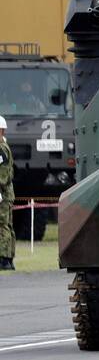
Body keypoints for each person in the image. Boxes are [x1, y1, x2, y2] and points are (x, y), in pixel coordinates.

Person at [0, 116, 13, 271]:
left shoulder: (1, 149)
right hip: (6, 193)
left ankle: (4, 259)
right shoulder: (5, 146)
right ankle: (8, 258)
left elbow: (2, 176)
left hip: (3, 193)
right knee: (7, 225)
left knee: (3, 226)